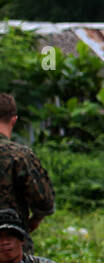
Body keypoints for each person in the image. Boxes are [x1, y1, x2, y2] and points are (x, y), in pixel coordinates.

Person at [0, 92, 55, 246]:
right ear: (14, 120)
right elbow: (44, 200)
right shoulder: (20, 155)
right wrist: (36, 219)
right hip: (11, 244)